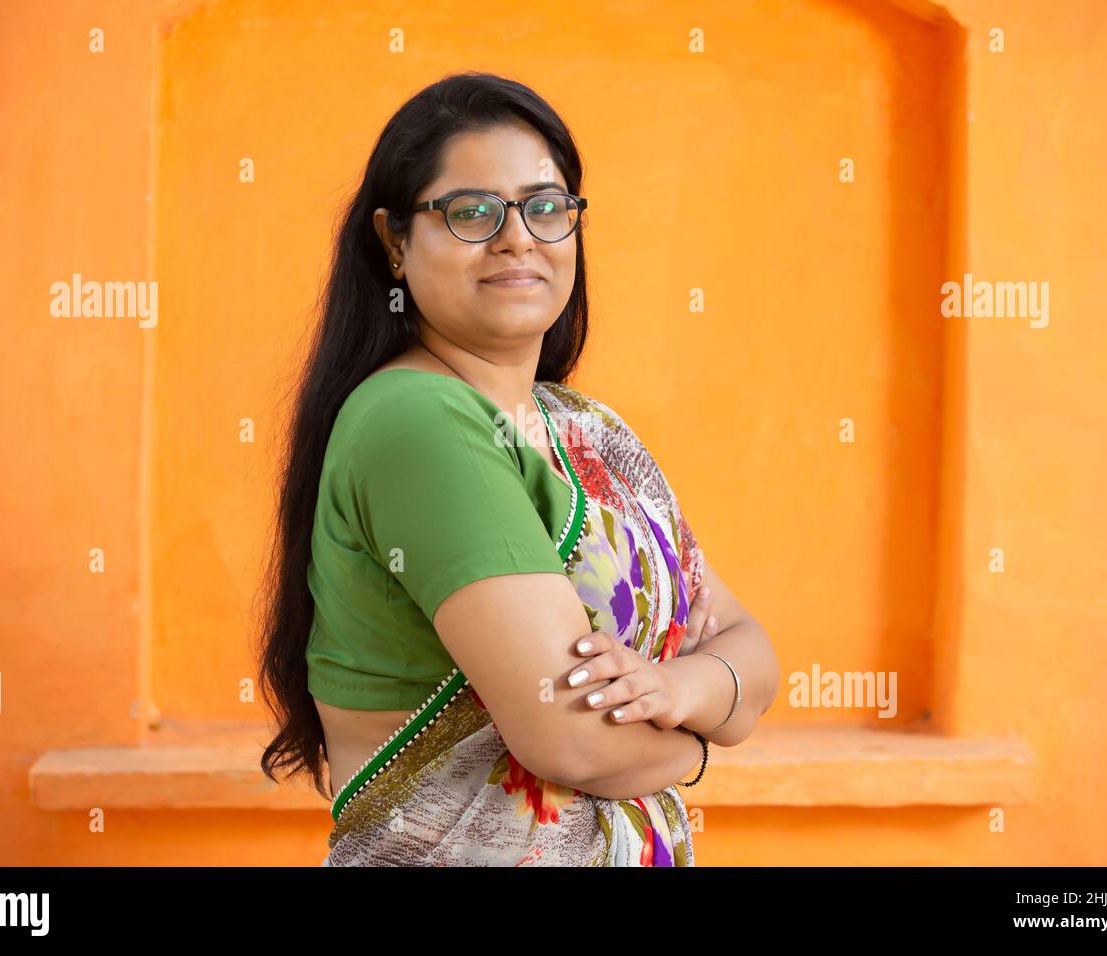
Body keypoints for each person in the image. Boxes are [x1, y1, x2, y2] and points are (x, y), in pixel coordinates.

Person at [257, 71, 779, 866]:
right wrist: (702, 744)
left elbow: (752, 647)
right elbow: (569, 739)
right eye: (471, 212)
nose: (517, 237)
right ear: (395, 241)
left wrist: (680, 692)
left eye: (545, 206)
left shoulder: (585, 430)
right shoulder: (419, 422)